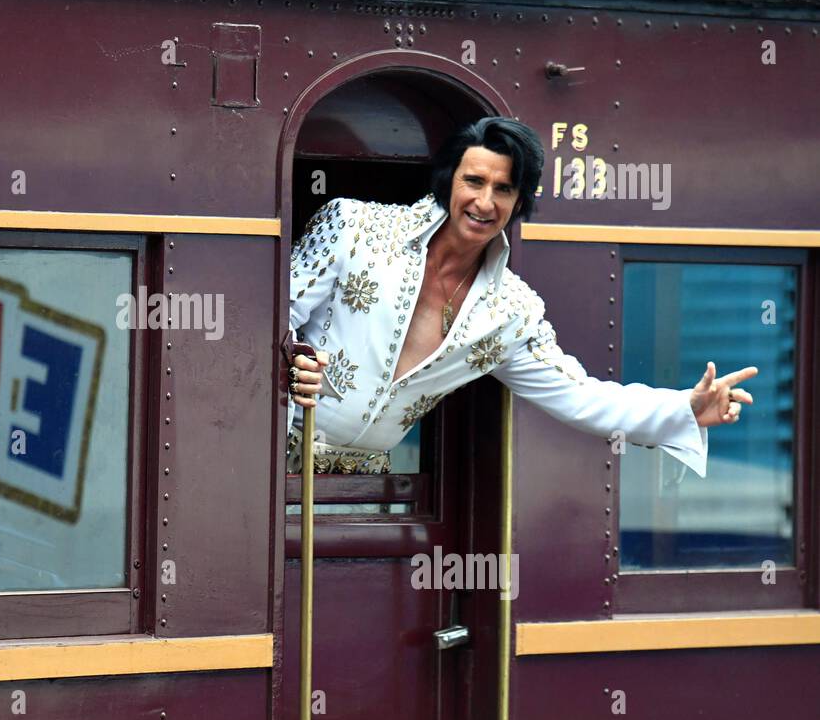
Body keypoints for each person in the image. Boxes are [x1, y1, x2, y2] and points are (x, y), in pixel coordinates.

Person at [284, 116, 756, 475]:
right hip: (266, 464)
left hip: (368, 493)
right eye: (474, 181)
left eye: (503, 189)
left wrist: (684, 408)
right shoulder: (355, 227)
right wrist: (298, 358)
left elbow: (581, 396)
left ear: (519, 200)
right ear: (449, 180)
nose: (485, 203)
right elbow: (270, 315)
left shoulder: (511, 311)